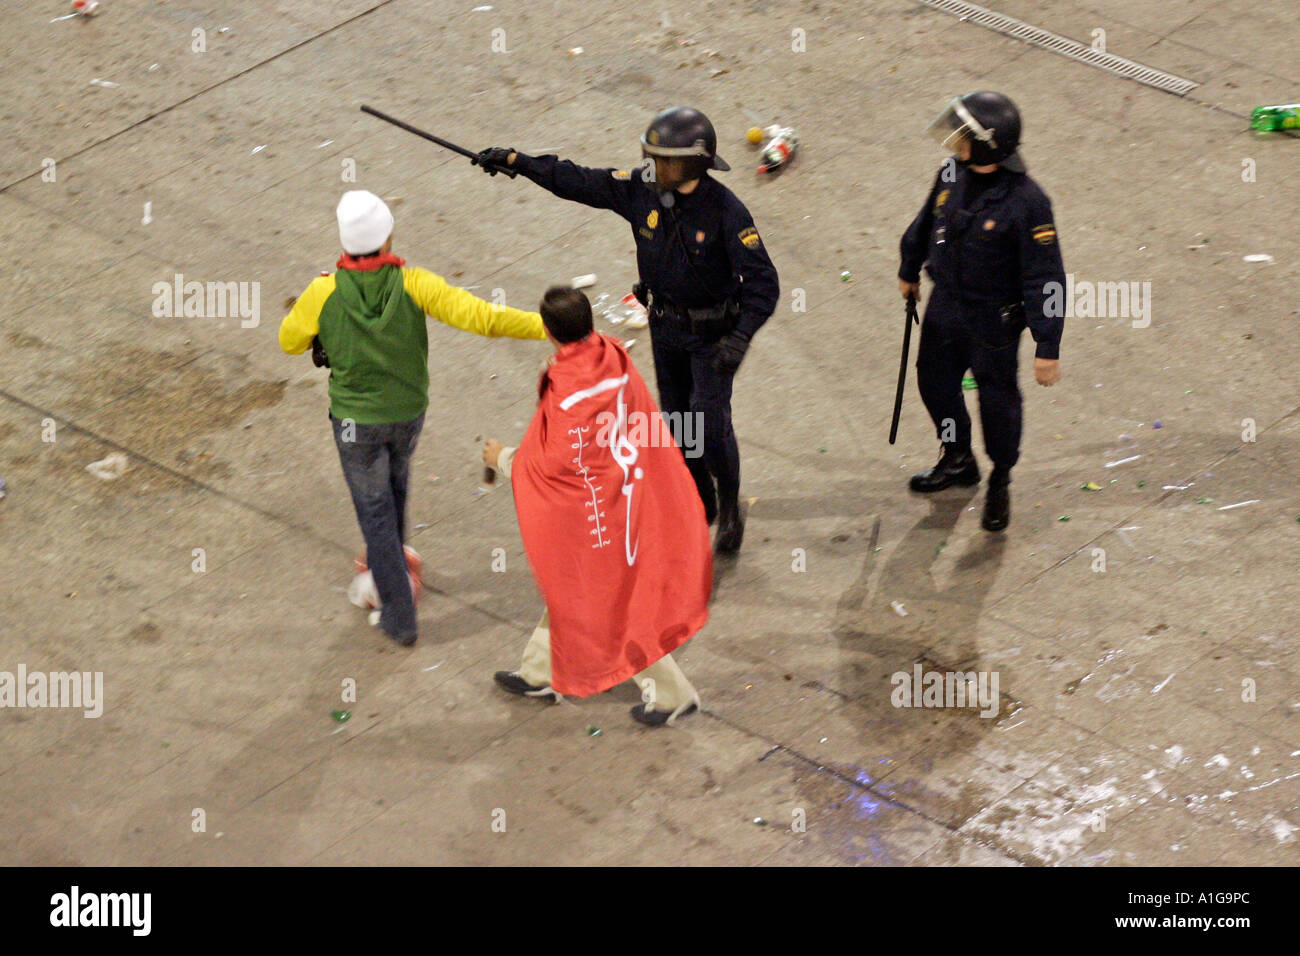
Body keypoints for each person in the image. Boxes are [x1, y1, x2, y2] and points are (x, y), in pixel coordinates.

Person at [473, 106, 779, 553]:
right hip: (665, 327)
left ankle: (731, 508)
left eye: (665, 161)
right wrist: (519, 162)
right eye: (650, 157)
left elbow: (764, 285)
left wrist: (740, 338)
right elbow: (578, 180)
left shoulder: (727, 213)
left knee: (711, 426)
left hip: (712, 339)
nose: (653, 168)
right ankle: (703, 501)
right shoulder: (640, 191)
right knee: (678, 426)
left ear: (693, 163)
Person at [279, 190, 546, 646]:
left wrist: (322, 333)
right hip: (407, 413)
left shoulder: (323, 292)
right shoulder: (414, 283)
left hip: (353, 422)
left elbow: (289, 340)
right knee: (396, 488)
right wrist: (549, 325)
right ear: (387, 236)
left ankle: (398, 615)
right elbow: (483, 318)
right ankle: (396, 564)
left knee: (374, 513)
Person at [482, 286, 712, 726]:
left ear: (548, 332)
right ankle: (540, 671)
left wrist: (504, 459)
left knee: (612, 603)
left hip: (601, 513)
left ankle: (671, 694)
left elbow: (555, 465)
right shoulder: (613, 357)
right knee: (574, 589)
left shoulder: (570, 390)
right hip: (633, 492)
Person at [897, 91, 1066, 531]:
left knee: (997, 403)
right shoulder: (952, 171)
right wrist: (909, 266)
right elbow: (925, 223)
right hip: (946, 305)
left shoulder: (1028, 202)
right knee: (935, 385)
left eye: (964, 133)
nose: (954, 139)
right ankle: (957, 459)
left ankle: (1000, 478)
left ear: (988, 143)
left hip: (994, 321)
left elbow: (1046, 278)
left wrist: (1047, 345)